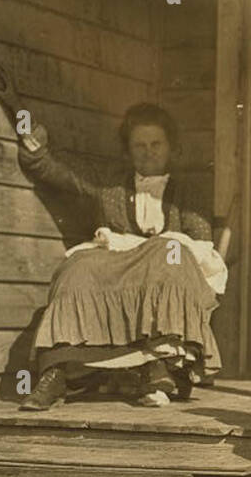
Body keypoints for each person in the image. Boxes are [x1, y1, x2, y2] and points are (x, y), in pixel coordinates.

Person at [16, 102, 226, 409]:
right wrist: (33, 145)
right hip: (120, 268)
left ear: (171, 148)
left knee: (167, 252)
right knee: (78, 266)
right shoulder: (109, 186)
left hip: (164, 269)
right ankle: (57, 371)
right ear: (128, 151)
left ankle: (158, 364)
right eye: (138, 145)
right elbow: (54, 172)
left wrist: (148, 245)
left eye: (156, 144)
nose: (147, 152)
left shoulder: (188, 191)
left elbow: (200, 244)